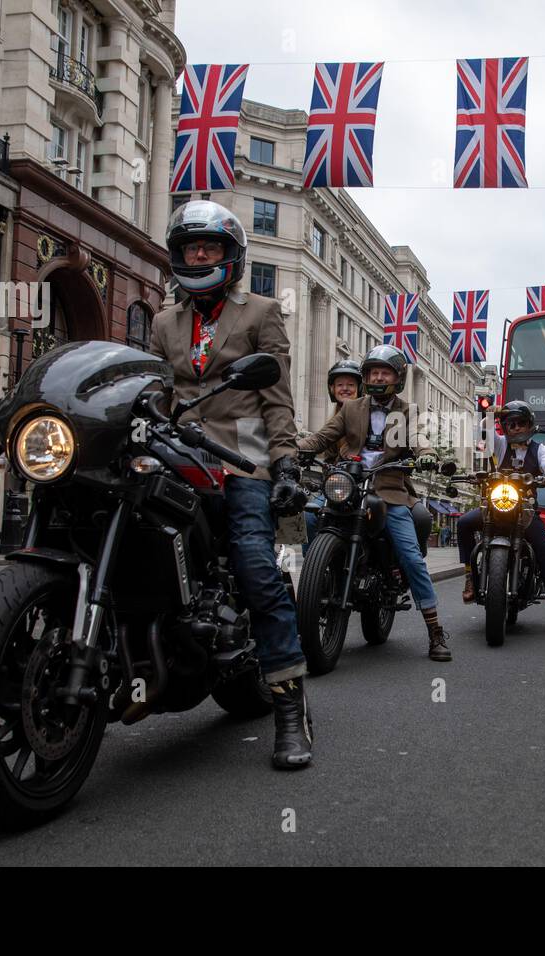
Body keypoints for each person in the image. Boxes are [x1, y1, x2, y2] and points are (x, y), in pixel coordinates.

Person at [148, 199, 313, 770]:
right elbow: (154, 392)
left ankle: (292, 714)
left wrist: (286, 464)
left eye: (210, 247)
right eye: (191, 247)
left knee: (255, 569)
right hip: (176, 456)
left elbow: (276, 397)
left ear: (231, 257)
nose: (199, 255)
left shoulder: (261, 312)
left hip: (240, 461)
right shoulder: (164, 321)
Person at [298, 344, 454, 662]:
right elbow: (323, 436)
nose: (378, 377)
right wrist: (297, 447)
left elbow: (418, 438)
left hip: (388, 489)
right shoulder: (351, 408)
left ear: (397, 378)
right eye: (372, 372)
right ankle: (323, 580)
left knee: (411, 555)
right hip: (347, 484)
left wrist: (426, 455)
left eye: (384, 372)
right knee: (310, 516)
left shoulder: (407, 410)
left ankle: (435, 631)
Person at [456, 401, 545, 634]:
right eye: (510, 424)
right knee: (463, 523)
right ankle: (470, 577)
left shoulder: (541, 449)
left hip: (525, 511)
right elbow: (486, 435)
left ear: (530, 424)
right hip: (494, 508)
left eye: (520, 423)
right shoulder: (500, 445)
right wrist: (490, 416)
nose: (515, 428)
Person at [304, 361, 363, 548]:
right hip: (336, 486)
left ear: (359, 388)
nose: (345, 389)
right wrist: (292, 449)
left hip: (365, 486)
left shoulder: (369, 413)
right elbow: (318, 440)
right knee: (309, 516)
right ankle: (314, 571)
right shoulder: (333, 419)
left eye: (351, 385)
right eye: (340, 385)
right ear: (332, 388)